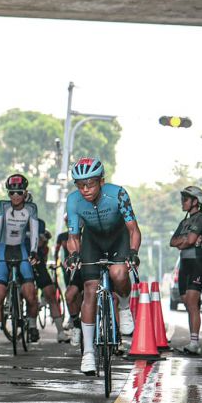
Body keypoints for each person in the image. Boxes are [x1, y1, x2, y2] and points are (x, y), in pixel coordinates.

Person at [64, 157, 141, 376]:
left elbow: (133, 229)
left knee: (118, 273)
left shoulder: (117, 194)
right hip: (93, 241)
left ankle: (124, 307)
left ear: (101, 181)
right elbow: (73, 235)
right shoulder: (73, 201)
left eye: (90, 183)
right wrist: (74, 255)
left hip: (118, 238)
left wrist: (133, 253)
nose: (85, 189)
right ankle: (88, 353)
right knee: (89, 289)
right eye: (80, 185)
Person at [0, 174, 42, 352]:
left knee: (30, 294)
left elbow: (34, 233)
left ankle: (32, 325)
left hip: (22, 250)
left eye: (19, 192)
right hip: (3, 249)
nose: (15, 196)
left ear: (25, 193)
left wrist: (34, 251)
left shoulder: (31, 208)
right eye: (11, 193)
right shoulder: (2, 206)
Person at [170, 185, 202, 355]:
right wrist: (185, 240)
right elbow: (173, 242)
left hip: (198, 263)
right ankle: (192, 340)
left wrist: (186, 240)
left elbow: (191, 239)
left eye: (185, 199)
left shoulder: (200, 218)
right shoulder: (184, 221)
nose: (182, 202)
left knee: (193, 303)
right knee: (187, 303)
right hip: (184, 264)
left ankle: (195, 342)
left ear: (195, 202)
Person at [32, 219, 69, 342]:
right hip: (23, 261)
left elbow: (47, 255)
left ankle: (60, 332)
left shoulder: (45, 247)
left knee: (51, 294)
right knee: (28, 294)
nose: (42, 241)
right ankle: (31, 326)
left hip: (39, 265)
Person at [54, 229, 84, 345]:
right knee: (70, 295)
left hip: (92, 270)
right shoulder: (65, 235)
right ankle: (76, 324)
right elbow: (57, 251)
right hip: (75, 269)